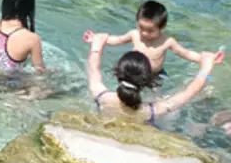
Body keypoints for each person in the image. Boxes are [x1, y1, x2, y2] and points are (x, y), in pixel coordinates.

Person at [87, 35, 222, 124]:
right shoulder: (152, 111)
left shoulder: (101, 97)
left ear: (117, 72)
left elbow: (94, 69)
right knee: (176, 104)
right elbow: (189, 92)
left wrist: (97, 44)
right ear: (146, 80)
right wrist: (206, 66)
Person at [83, 0, 203, 77]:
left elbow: (186, 53)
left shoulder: (167, 41)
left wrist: (203, 58)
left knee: (156, 97)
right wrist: (97, 39)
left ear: (162, 27)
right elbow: (118, 40)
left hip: (155, 75)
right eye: (141, 28)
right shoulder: (134, 34)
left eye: (150, 31)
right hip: (134, 72)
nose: (145, 33)